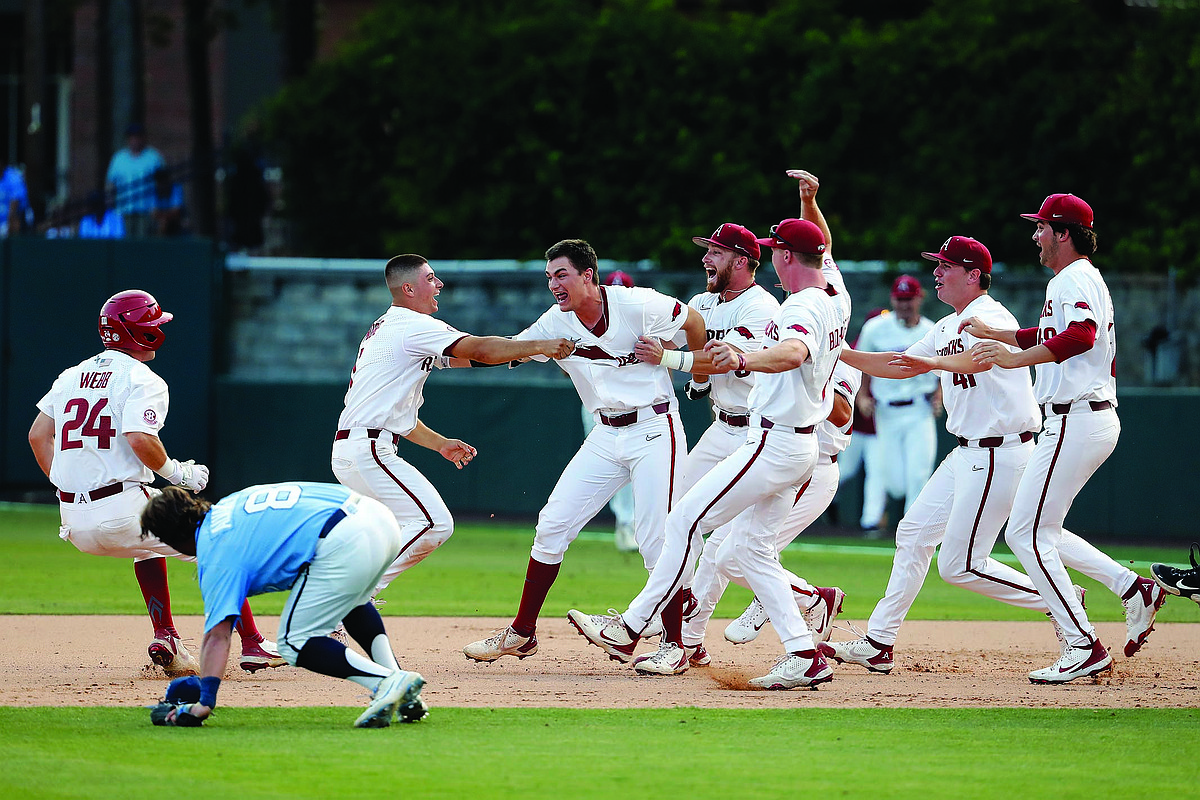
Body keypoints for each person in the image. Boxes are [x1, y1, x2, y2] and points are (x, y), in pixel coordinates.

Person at [568, 217, 850, 689]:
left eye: (775, 249)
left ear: (782, 257)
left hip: (772, 438)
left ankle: (634, 626)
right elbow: (825, 258)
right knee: (748, 549)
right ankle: (804, 653)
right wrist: (809, 203)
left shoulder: (797, 304)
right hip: (786, 438)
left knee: (684, 521)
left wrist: (741, 359)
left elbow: (793, 353)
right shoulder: (832, 295)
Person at [828, 236, 1065, 674]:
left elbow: (980, 362)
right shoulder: (944, 325)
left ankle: (1062, 599)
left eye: (946, 265)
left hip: (1000, 451)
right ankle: (879, 641)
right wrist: (835, 353)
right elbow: (899, 363)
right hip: (967, 453)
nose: (936, 272)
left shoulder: (990, 316)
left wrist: (932, 365)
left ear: (973, 275)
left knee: (960, 566)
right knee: (913, 534)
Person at [462, 239, 708, 662]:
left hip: (654, 426)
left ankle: (677, 645)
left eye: (561, 275)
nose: (554, 285)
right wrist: (446, 355)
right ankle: (522, 633)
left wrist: (683, 363)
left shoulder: (637, 304)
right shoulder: (554, 321)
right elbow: (505, 350)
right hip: (605, 433)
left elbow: (693, 319)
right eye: (549, 278)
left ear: (587, 275)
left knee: (654, 539)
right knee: (552, 525)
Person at [28, 290, 284, 676]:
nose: (158, 327)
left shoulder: (71, 375)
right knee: (221, 539)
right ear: (140, 331)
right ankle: (253, 644)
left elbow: (37, 436)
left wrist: (69, 486)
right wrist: (180, 475)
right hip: (121, 509)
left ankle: (166, 635)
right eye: (153, 322)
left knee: (150, 544)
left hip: (73, 521)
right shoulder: (142, 378)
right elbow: (140, 438)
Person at [966, 193, 1165, 683]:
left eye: (1041, 227)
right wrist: (1007, 336)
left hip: (1075, 416)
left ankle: (1082, 644)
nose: (1035, 234)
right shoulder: (1077, 278)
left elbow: (1081, 335)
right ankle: (1132, 588)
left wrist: (1013, 359)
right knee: (1041, 529)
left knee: (1025, 534)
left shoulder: (1073, 276)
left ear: (1063, 233)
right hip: (1080, 416)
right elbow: (1057, 332)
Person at [332, 254, 575, 600]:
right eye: (431, 279)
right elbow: (481, 349)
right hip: (369, 451)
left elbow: (470, 359)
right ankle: (350, 598)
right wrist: (540, 344)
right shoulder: (410, 325)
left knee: (386, 534)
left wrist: (440, 444)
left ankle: (329, 612)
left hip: (356, 449)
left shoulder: (390, 328)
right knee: (433, 524)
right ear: (408, 288)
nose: (439, 284)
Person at [139, 483, 428, 728]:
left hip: (341, 536)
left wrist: (204, 703)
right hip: (378, 518)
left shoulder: (215, 550)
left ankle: (387, 682)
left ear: (172, 537)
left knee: (293, 643)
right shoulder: (229, 505)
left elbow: (218, 635)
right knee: (352, 601)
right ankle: (404, 691)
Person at [855, 274, 941, 528]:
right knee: (894, 482)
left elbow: (945, 369)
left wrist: (939, 396)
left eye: (909, 299)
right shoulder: (875, 328)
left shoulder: (932, 330)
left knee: (919, 473)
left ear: (919, 298)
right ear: (893, 299)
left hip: (919, 408)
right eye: (900, 299)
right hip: (887, 410)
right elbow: (863, 364)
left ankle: (913, 529)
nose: (904, 305)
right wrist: (862, 395)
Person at [579, 270, 639, 552]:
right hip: (598, 405)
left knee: (635, 468)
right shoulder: (586, 321)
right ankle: (625, 523)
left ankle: (634, 525)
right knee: (613, 465)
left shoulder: (640, 317)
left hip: (639, 408)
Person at [106, 123, 164, 237]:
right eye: (132, 137)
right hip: (123, 211)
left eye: (138, 136)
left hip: (146, 211)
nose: (135, 140)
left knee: (143, 245)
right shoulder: (119, 158)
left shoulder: (153, 157)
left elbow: (163, 183)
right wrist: (110, 206)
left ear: (143, 137)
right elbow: (110, 183)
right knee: (124, 244)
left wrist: (159, 207)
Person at [151, 167, 185, 236]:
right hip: (160, 222)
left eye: (164, 181)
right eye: (159, 182)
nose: (161, 185)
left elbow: (176, 212)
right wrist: (163, 218)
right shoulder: (154, 190)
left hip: (176, 221)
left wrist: (164, 217)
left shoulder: (175, 188)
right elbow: (153, 213)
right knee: (158, 224)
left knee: (186, 223)